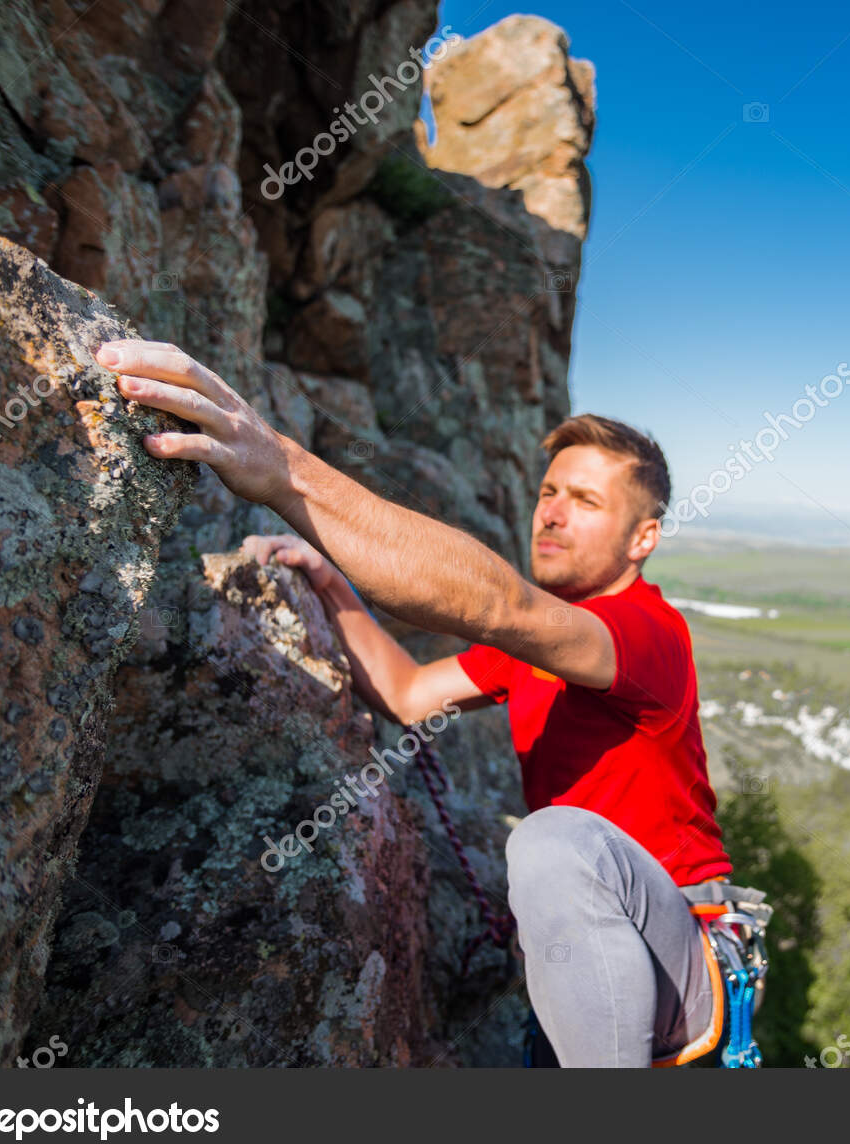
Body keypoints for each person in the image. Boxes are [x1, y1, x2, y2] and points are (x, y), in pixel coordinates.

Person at [95, 340, 731, 1067]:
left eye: (585, 501)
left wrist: (282, 469)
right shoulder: (544, 646)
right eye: (549, 492)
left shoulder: (647, 634)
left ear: (644, 537)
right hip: (606, 965)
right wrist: (334, 589)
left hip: (683, 947)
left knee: (553, 841)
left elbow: (497, 602)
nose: (551, 514)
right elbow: (409, 692)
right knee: (554, 844)